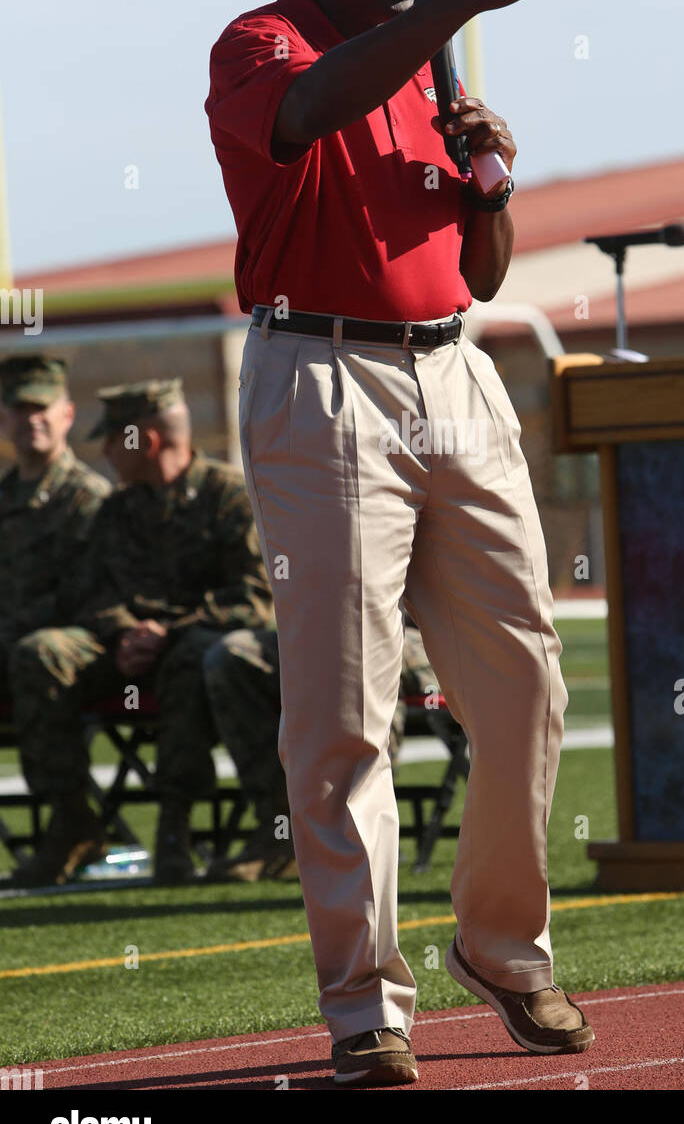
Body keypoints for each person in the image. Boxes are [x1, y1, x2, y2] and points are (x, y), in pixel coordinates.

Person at [204, 0, 593, 1086]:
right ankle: (367, 1004)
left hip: (453, 372)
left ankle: (500, 945)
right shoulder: (261, 43)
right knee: (342, 710)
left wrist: (490, 179)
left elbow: (481, 274)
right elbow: (307, 112)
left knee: (526, 677)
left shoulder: (423, 55)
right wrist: (458, 3)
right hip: (322, 380)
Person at [8, 379, 277, 887]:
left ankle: (174, 829)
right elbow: (89, 593)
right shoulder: (117, 508)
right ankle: (71, 821)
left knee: (189, 655)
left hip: (195, 649)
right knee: (41, 652)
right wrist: (127, 630)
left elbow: (254, 598)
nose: (106, 451)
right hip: (124, 650)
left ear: (145, 442)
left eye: (114, 438)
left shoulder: (230, 497)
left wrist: (167, 633)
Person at [202, 616, 438, 881]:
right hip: (319, 631)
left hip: (420, 634)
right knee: (232, 655)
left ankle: (359, 831)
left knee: (356, 650)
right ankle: (282, 831)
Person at [0, 355, 112, 876]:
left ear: (67, 415)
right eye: (19, 411)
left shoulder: (87, 497)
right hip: (16, 645)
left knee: (37, 652)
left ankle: (71, 822)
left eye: (42, 409)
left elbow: (92, 598)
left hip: (81, 646)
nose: (32, 421)